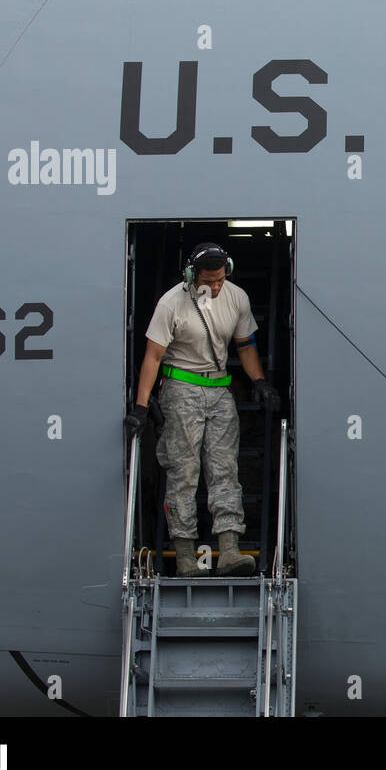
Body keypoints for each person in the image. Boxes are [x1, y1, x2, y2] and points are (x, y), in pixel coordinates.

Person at [124, 242, 280, 577]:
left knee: (224, 469)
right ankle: (184, 557)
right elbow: (152, 356)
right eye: (209, 280)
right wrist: (140, 406)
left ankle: (229, 550)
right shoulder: (171, 303)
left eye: (221, 279)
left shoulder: (236, 297)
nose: (216, 286)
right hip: (181, 387)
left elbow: (245, 344)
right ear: (192, 275)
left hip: (220, 388)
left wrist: (260, 382)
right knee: (183, 472)